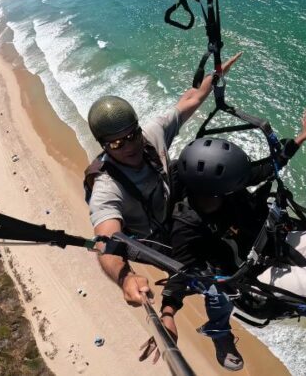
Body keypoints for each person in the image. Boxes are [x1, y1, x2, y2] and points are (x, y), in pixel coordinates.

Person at [159, 111, 306, 363]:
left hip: (274, 243)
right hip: (257, 275)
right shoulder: (187, 225)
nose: (243, 182)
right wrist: (168, 312)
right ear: (216, 188)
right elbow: (180, 272)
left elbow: (265, 169)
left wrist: (297, 140)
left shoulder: (226, 186)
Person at [85, 52, 243, 308]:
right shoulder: (107, 187)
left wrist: (214, 77)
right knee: (202, 266)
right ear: (104, 145)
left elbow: (189, 100)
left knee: (197, 160)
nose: (129, 146)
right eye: (116, 143)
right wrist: (125, 278)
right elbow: (106, 242)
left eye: (132, 134)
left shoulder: (150, 136)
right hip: (149, 236)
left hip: (169, 204)